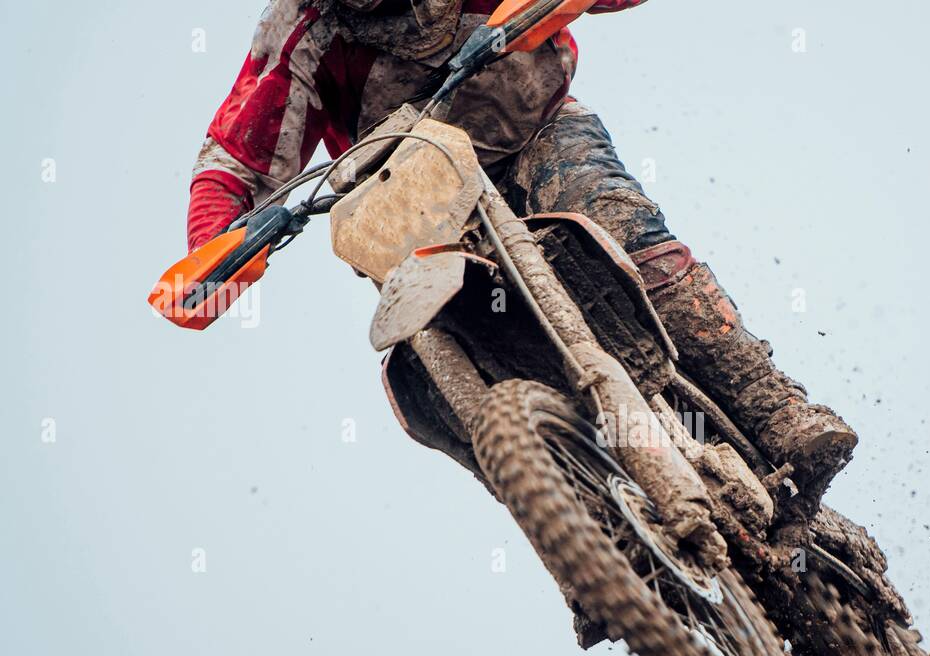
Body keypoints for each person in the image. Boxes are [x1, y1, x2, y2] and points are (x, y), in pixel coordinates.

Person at [188, 0, 858, 511]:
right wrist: (213, 255)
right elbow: (237, 158)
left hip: (537, 136)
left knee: (625, 233)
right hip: (413, 207)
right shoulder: (301, 29)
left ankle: (778, 413)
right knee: (432, 359)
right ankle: (587, 538)